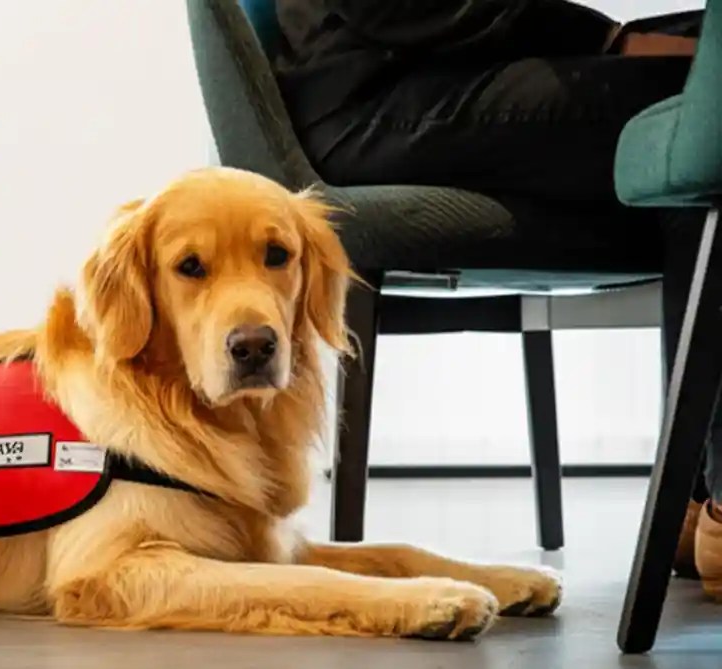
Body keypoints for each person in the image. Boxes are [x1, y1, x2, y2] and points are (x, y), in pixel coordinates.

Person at [269, 1, 719, 593]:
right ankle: (709, 503)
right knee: (704, 114)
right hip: (379, 98)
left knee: (702, 77)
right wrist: (607, 40)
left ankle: (694, 501)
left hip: (437, 68)